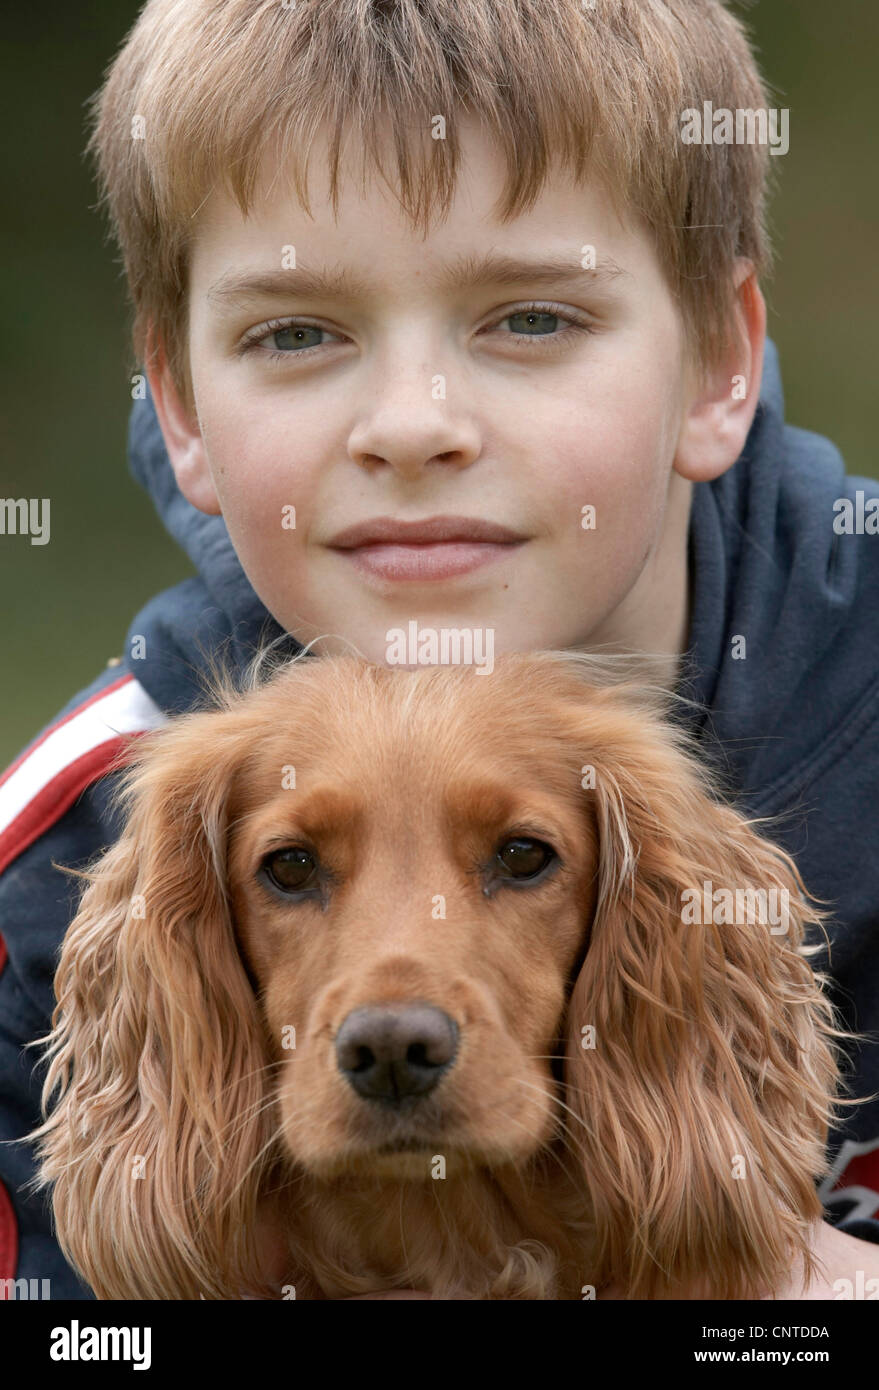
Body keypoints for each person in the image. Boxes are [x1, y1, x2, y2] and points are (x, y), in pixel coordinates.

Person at [1, 0, 877, 1301]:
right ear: (179, 403)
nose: (413, 427)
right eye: (297, 331)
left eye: (532, 318)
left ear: (716, 365)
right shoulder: (64, 852)